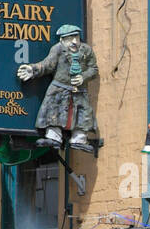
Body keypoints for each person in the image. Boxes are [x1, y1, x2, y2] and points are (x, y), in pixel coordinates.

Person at [16, 23, 99, 152]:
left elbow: (93, 69)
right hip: (59, 88)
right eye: (70, 38)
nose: (74, 41)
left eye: (76, 37)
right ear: (62, 40)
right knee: (53, 112)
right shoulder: (57, 50)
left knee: (82, 114)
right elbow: (47, 65)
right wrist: (32, 70)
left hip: (79, 90)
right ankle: (54, 137)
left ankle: (79, 139)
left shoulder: (86, 51)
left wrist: (83, 77)